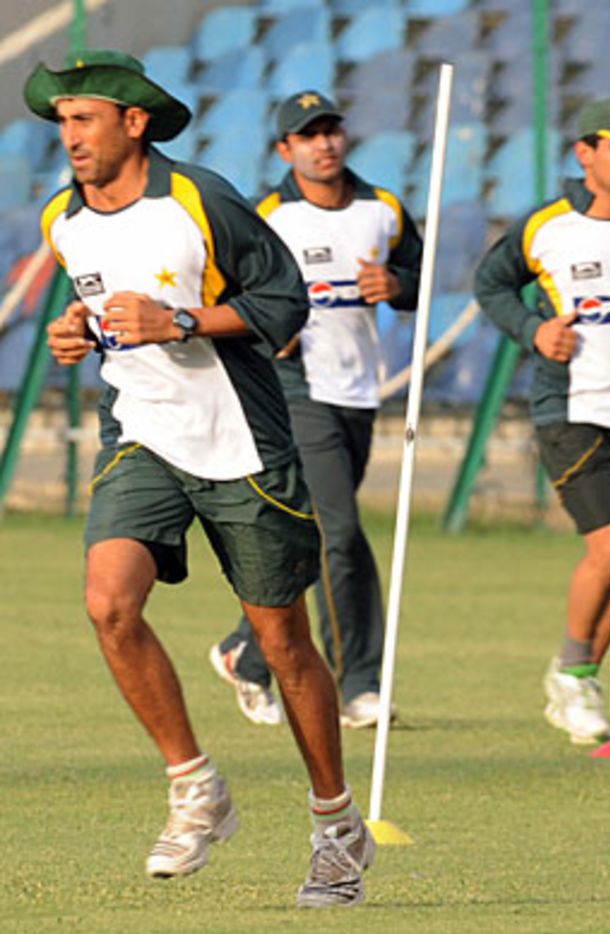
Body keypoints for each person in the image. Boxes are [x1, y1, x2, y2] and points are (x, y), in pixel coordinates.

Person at [29, 50, 373, 908]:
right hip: (142, 437)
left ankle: (337, 826)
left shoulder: (200, 199)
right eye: (62, 119)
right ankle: (196, 785)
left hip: (244, 447)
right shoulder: (60, 220)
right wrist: (74, 333)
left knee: (286, 645)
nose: (69, 136)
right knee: (109, 602)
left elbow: (283, 304)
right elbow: (101, 316)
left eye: (86, 118)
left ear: (134, 122)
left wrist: (178, 319)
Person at [475, 98, 610, 745]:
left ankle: (577, 674)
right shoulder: (547, 225)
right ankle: (574, 673)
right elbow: (489, 284)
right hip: (571, 406)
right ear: (585, 153)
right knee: (609, 541)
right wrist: (533, 330)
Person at [211, 90, 422, 731]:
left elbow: (418, 275)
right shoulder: (269, 214)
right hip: (294, 388)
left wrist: (398, 286)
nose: (324, 143)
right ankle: (358, 682)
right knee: (342, 536)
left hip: (360, 391)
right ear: (285, 149)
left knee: (313, 539)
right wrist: (268, 326)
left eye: (331, 130)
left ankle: (245, 653)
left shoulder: (382, 208)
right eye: (308, 135)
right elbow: (228, 291)